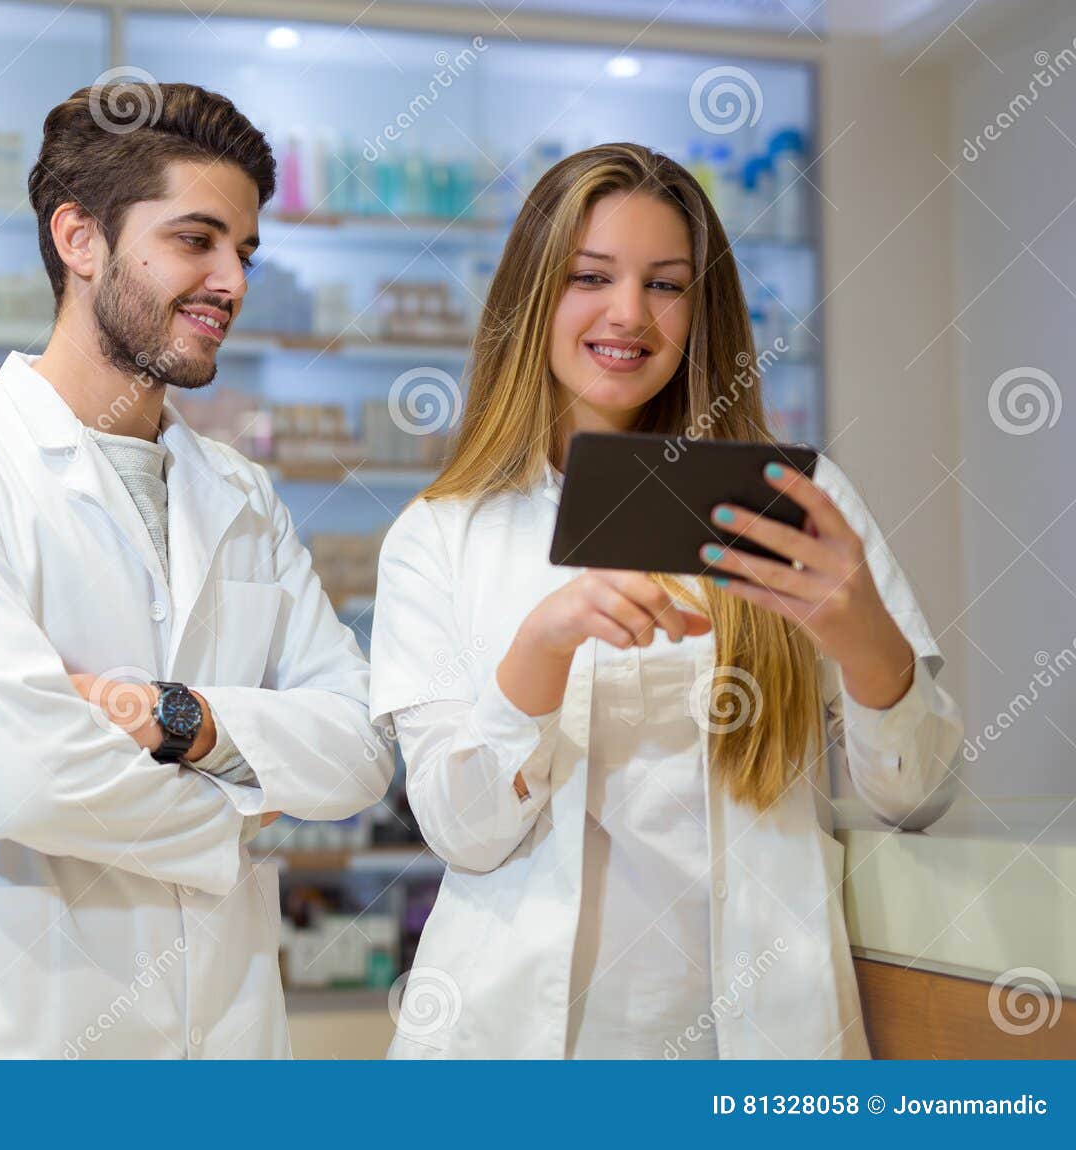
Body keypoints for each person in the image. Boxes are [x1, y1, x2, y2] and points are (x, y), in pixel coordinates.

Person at [370, 142, 964, 1060]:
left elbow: (917, 798)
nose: (628, 314)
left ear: (702, 308)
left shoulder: (796, 505)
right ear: (533, 296)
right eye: (590, 276)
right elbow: (463, 833)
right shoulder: (441, 534)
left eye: (667, 284)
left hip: (754, 1044)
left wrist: (868, 643)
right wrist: (541, 650)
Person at [0, 81, 390, 1058]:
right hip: (12, 1033)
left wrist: (176, 716)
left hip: (220, 1032)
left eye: (245, 251)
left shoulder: (241, 493)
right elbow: (20, 778)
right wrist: (248, 791)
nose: (231, 280)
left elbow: (357, 745)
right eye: (196, 240)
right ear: (80, 239)